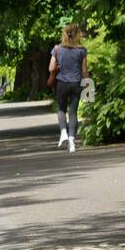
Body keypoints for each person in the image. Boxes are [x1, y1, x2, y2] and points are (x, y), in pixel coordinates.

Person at [49, 23, 90, 153]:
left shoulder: (57, 49)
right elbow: (84, 71)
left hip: (62, 83)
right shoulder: (82, 50)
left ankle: (63, 134)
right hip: (76, 84)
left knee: (61, 109)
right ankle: (72, 141)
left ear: (64, 34)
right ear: (78, 34)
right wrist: (88, 85)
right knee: (73, 112)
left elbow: (51, 68)